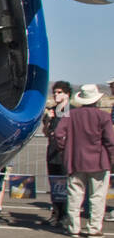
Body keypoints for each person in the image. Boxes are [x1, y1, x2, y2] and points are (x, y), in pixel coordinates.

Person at [53, 83, 114, 238]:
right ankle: (94, 228)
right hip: (99, 161)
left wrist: (64, 148)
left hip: (75, 160)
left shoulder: (71, 115)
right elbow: (110, 141)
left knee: (75, 195)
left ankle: (74, 227)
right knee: (97, 197)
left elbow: (59, 133)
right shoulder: (103, 116)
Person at [42, 81, 72, 226]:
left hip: (66, 152)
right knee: (54, 183)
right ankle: (56, 213)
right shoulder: (52, 111)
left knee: (66, 184)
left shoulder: (71, 111)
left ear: (67, 94)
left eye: (60, 92)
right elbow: (46, 133)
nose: (56, 94)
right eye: (55, 92)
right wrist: (48, 121)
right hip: (52, 151)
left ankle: (66, 214)